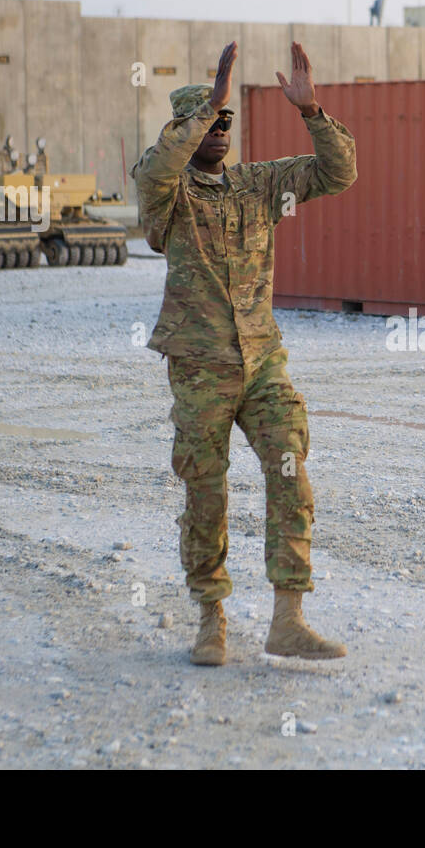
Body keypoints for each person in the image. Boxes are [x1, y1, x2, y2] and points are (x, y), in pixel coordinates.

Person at [132, 41, 357, 665]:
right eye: (210, 121)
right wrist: (208, 104)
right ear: (187, 127)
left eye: (227, 120)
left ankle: (288, 618)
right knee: (207, 491)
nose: (222, 129)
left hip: (262, 365)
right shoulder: (168, 197)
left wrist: (312, 113)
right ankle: (211, 619)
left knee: (290, 469)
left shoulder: (259, 186)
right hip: (201, 369)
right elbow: (153, 172)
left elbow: (338, 174)